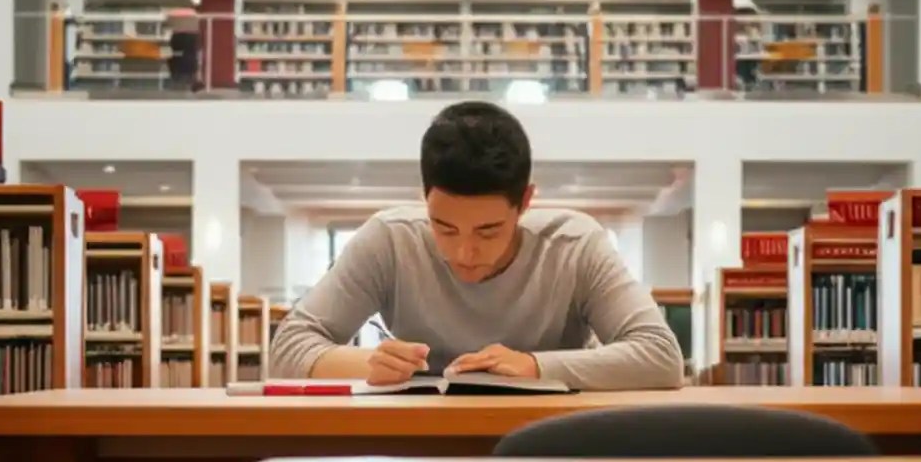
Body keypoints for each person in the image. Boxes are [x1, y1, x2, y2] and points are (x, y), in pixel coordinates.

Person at [269, 101, 686, 391]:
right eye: (444, 227)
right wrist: (368, 365)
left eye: (487, 231)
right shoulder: (390, 239)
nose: (463, 254)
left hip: (550, 447)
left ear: (525, 202)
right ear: (424, 197)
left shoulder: (575, 245)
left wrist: (535, 365)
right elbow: (287, 350)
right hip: (419, 443)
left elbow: (661, 357)